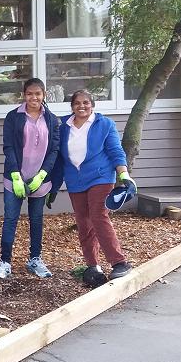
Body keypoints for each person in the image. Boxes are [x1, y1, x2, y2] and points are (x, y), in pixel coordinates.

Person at [50, 90, 136, 287]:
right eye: (77, 103)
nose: (82, 106)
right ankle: (92, 266)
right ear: (72, 106)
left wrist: (123, 174)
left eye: (86, 103)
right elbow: (59, 158)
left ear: (93, 105)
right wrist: (53, 186)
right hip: (75, 179)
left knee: (98, 216)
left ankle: (119, 262)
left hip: (101, 176)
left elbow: (115, 151)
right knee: (83, 221)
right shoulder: (63, 126)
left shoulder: (105, 124)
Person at [0, 78, 62, 280]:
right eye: (30, 93)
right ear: (24, 95)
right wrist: (15, 174)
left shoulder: (51, 119)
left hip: (39, 180)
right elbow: (8, 147)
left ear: (44, 95)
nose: (34, 97)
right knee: (10, 219)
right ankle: (5, 261)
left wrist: (42, 175)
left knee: (36, 220)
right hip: (15, 178)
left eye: (38, 94)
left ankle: (35, 259)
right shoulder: (13, 117)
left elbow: (54, 149)